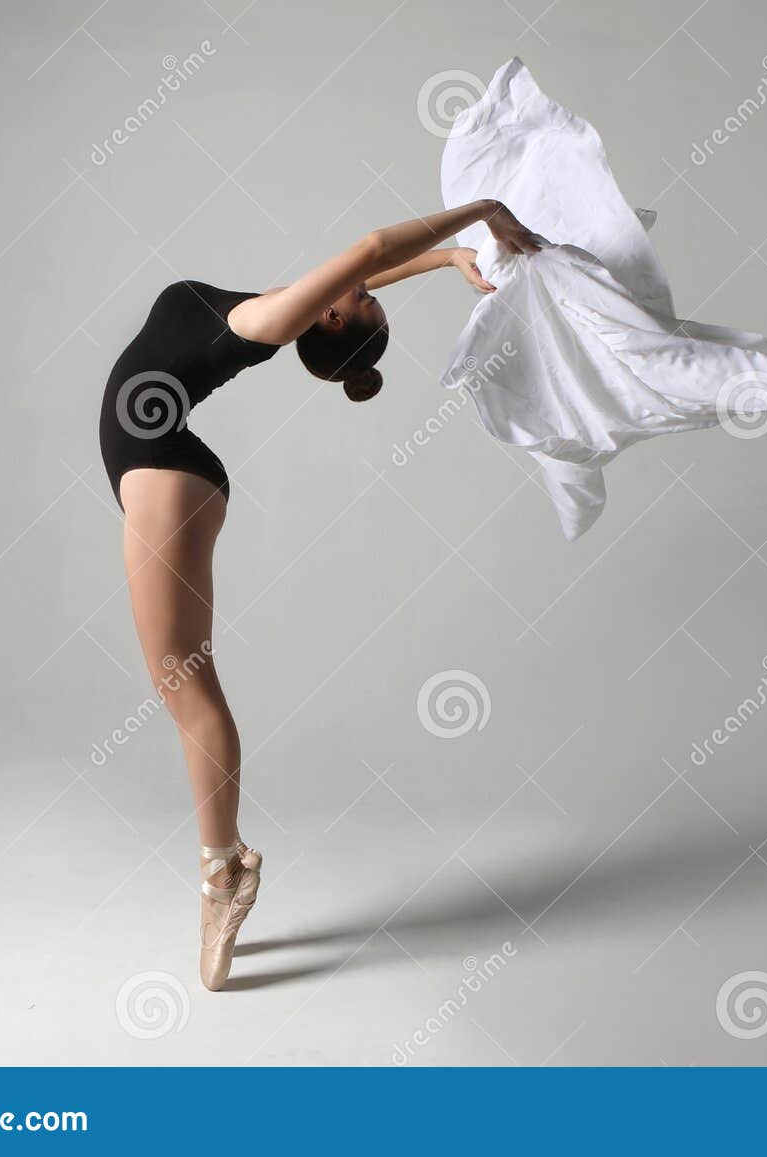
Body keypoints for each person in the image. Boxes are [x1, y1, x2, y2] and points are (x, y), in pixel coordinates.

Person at [97, 199, 543, 990]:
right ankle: (222, 864)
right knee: (181, 686)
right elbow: (368, 265)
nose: (364, 287)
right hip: (161, 471)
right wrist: (443, 260)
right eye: (367, 294)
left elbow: (369, 248)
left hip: (165, 473)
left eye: (362, 299)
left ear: (331, 321)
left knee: (186, 688)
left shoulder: (264, 325)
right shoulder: (272, 312)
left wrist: (484, 213)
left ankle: (221, 872)